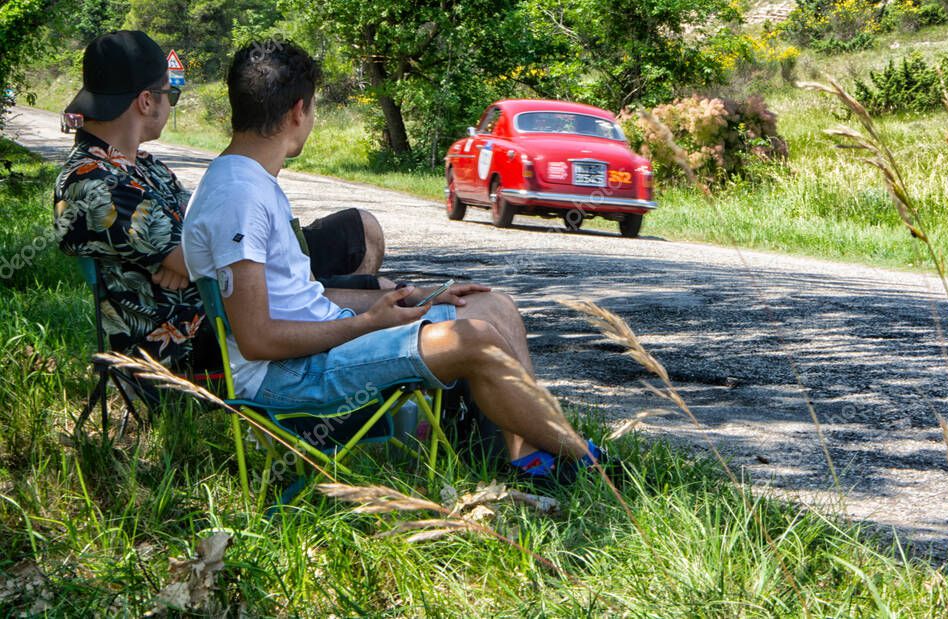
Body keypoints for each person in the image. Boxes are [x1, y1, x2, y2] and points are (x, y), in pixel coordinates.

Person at [182, 39, 610, 483]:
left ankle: (525, 457)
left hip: (315, 351)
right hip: (287, 378)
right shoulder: (240, 197)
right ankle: (588, 460)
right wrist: (365, 324)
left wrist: (415, 296)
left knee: (491, 306)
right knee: (474, 338)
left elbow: (302, 296)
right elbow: (257, 340)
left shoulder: (249, 180)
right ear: (298, 111)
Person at [53, 30, 384, 372]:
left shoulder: (143, 166)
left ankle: (347, 377)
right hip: (188, 341)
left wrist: (180, 262)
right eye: (172, 93)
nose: (172, 103)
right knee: (371, 288)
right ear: (147, 101)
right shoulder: (93, 181)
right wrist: (184, 262)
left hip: (223, 308)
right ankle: (335, 384)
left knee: (360, 245)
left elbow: (197, 250)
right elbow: (208, 262)